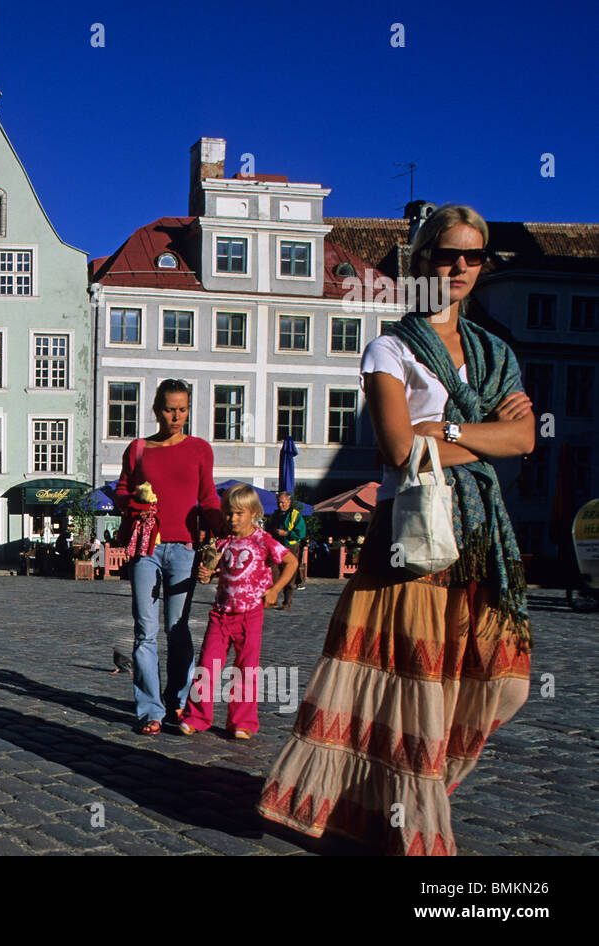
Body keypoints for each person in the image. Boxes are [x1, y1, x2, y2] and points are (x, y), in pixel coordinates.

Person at [257, 204, 535, 856]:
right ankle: (409, 822)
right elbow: (397, 446)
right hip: (414, 541)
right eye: (447, 254)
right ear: (422, 260)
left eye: (473, 256)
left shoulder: (496, 354)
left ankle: (408, 794)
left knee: (507, 682)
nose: (460, 267)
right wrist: (477, 438)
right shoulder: (392, 347)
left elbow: (523, 438)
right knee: (415, 691)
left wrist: (451, 432)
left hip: (480, 544)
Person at [113, 378, 222, 736]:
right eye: (170, 409)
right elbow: (121, 492)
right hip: (146, 547)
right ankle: (150, 710)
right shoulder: (139, 448)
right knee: (145, 630)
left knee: (178, 629)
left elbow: (208, 499)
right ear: (157, 410)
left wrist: (225, 533)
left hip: (185, 549)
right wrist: (135, 504)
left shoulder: (200, 449)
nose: (177, 416)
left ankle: (177, 700)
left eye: (183, 409)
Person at [178, 485, 297, 738]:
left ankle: (242, 722)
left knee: (246, 669)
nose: (233, 519)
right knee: (207, 666)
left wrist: (275, 589)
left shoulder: (264, 540)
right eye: (229, 514)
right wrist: (207, 575)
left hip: (250, 615)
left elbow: (291, 562)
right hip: (220, 615)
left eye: (239, 514)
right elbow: (215, 572)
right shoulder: (223, 543)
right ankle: (196, 716)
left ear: (253, 513)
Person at [265, 491, 307, 608]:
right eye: (278, 503)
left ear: (289, 502)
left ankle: (287, 602)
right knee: (273, 572)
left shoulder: (295, 515)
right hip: (276, 546)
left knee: (289, 574)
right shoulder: (275, 515)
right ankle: (272, 599)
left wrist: (287, 533)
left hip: (290, 546)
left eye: (282, 503)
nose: (280, 505)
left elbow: (301, 533)